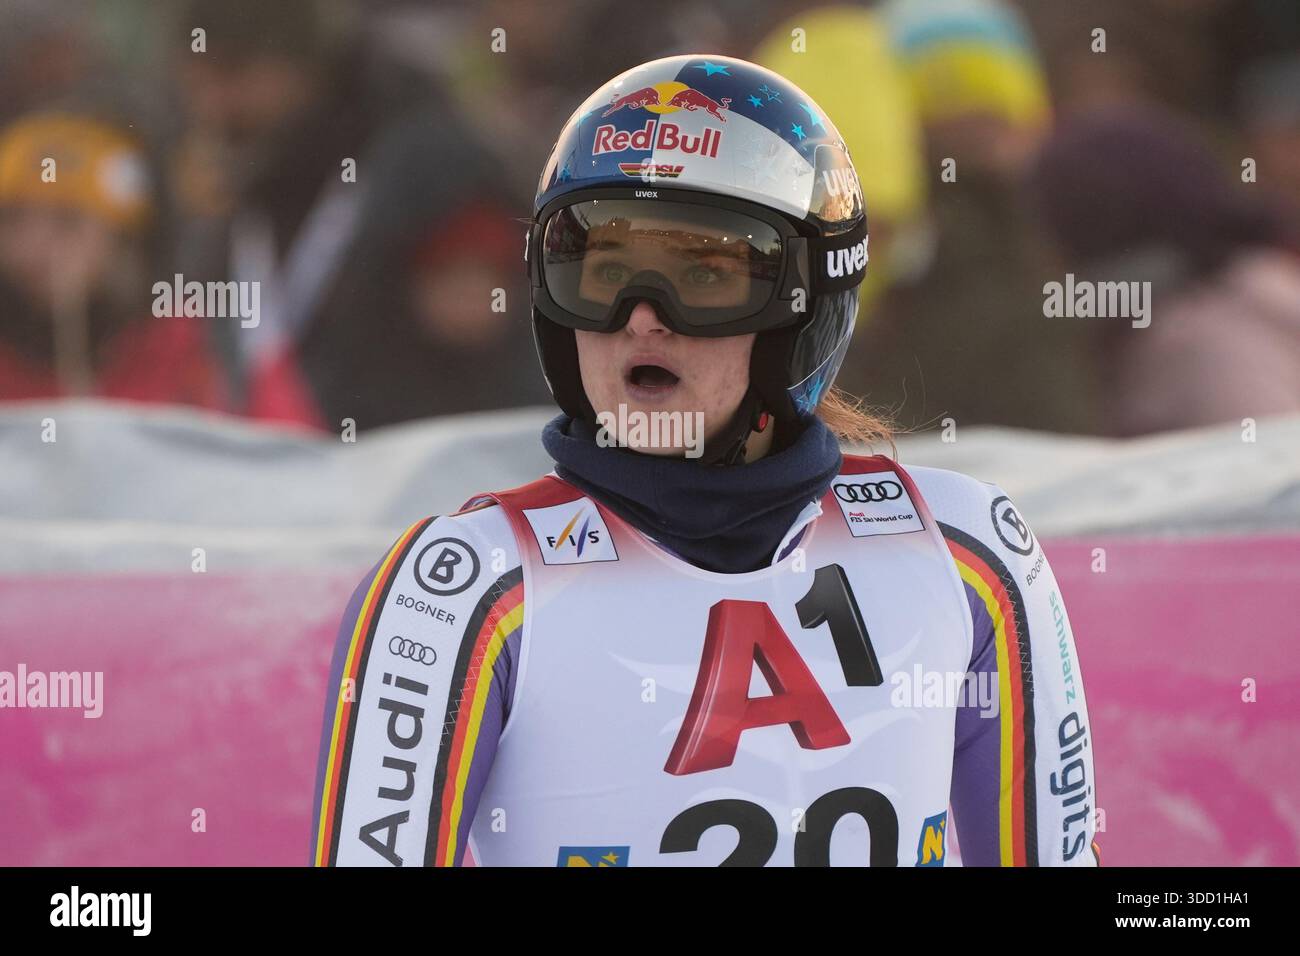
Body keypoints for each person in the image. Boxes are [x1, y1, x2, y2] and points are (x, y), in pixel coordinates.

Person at [312, 55, 1099, 867]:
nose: (642, 320)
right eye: (602, 272)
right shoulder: (466, 587)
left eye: (705, 276)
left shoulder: (965, 550)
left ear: (807, 306)